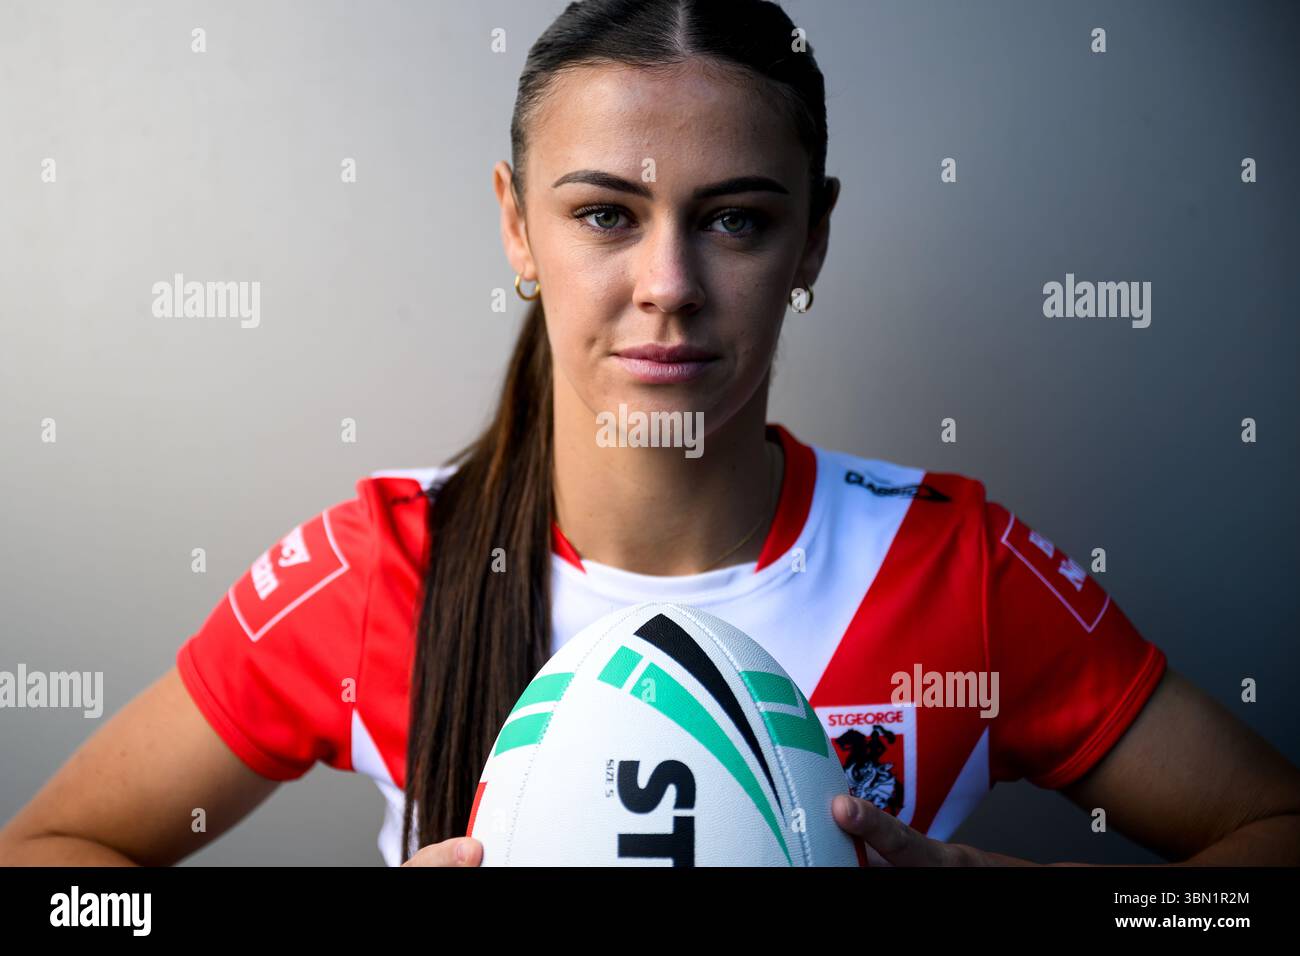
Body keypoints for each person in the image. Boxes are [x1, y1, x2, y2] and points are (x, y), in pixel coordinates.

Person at [2, 0, 1297, 868]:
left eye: (735, 217)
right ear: (518, 226)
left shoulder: (956, 569)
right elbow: (57, 874)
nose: (669, 282)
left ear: (813, 238)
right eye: (606, 215)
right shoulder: (379, 569)